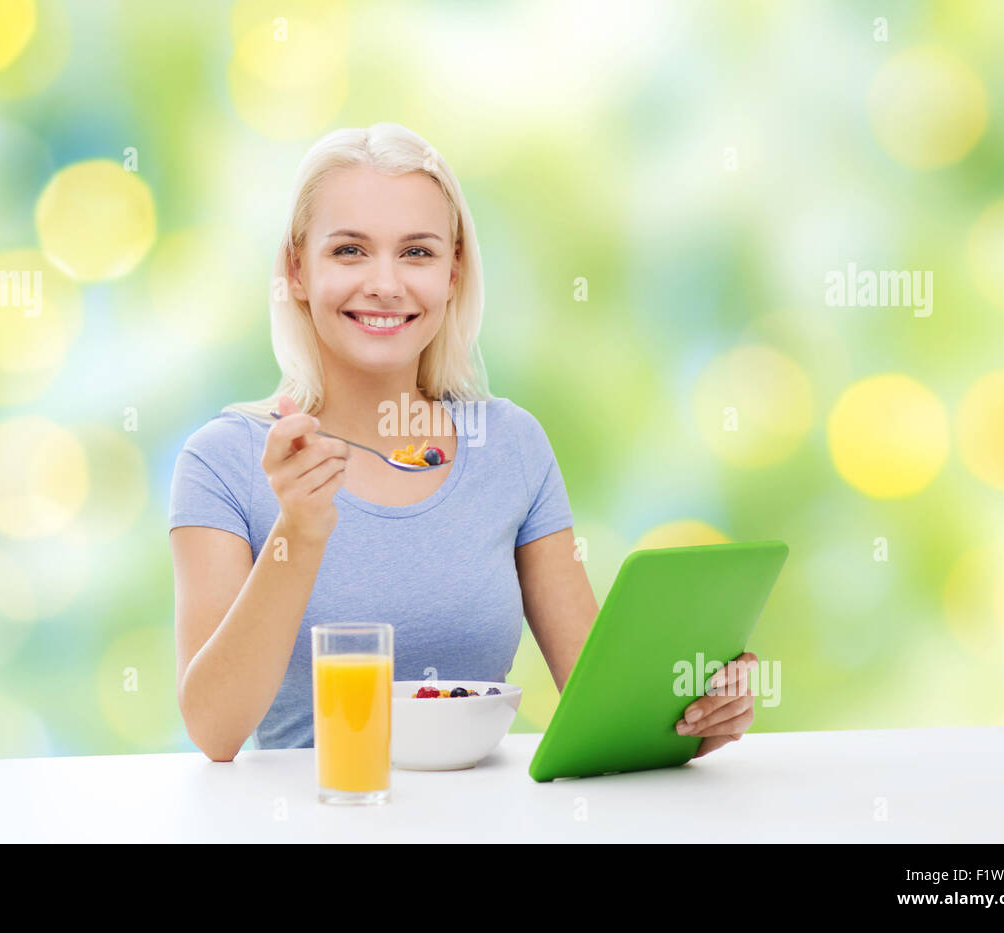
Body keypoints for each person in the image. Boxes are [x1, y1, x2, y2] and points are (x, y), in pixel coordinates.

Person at [169, 122, 756, 759]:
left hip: (486, 811)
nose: (385, 284)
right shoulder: (224, 462)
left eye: (417, 253)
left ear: (453, 272)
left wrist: (697, 720)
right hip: (324, 807)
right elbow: (214, 731)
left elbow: (603, 708)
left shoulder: (510, 446)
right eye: (350, 250)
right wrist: (300, 532)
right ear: (297, 271)